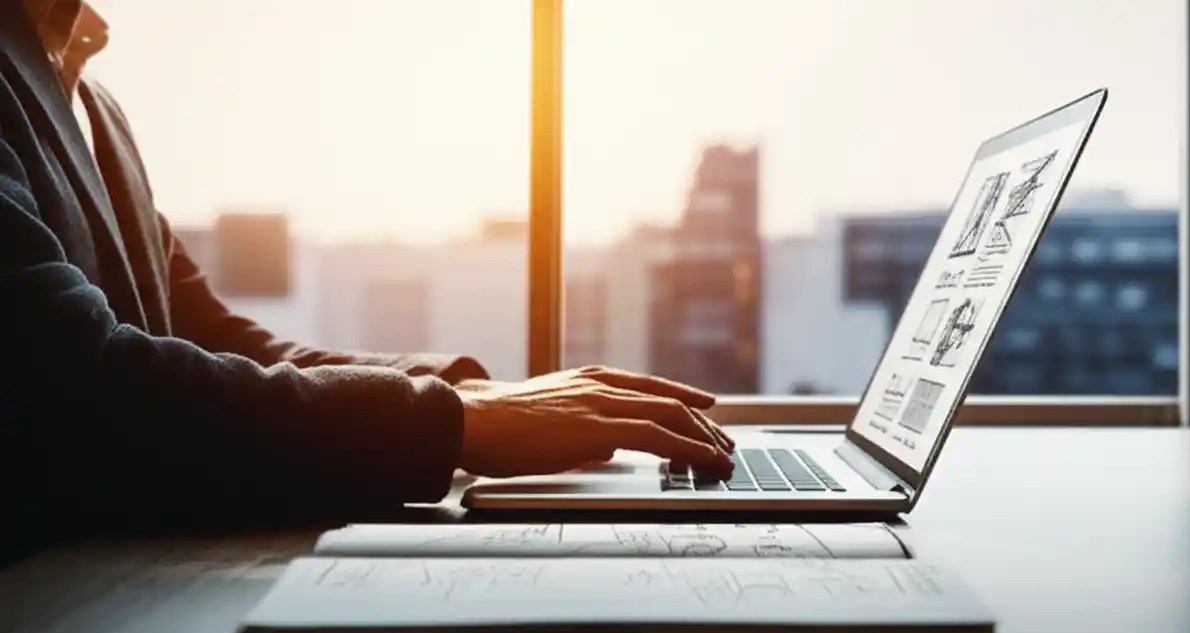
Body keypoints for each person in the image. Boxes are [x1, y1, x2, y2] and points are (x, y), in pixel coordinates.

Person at [0, 0, 733, 561]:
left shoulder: (90, 94)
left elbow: (210, 337)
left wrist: (467, 396)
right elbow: (79, 391)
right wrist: (454, 423)